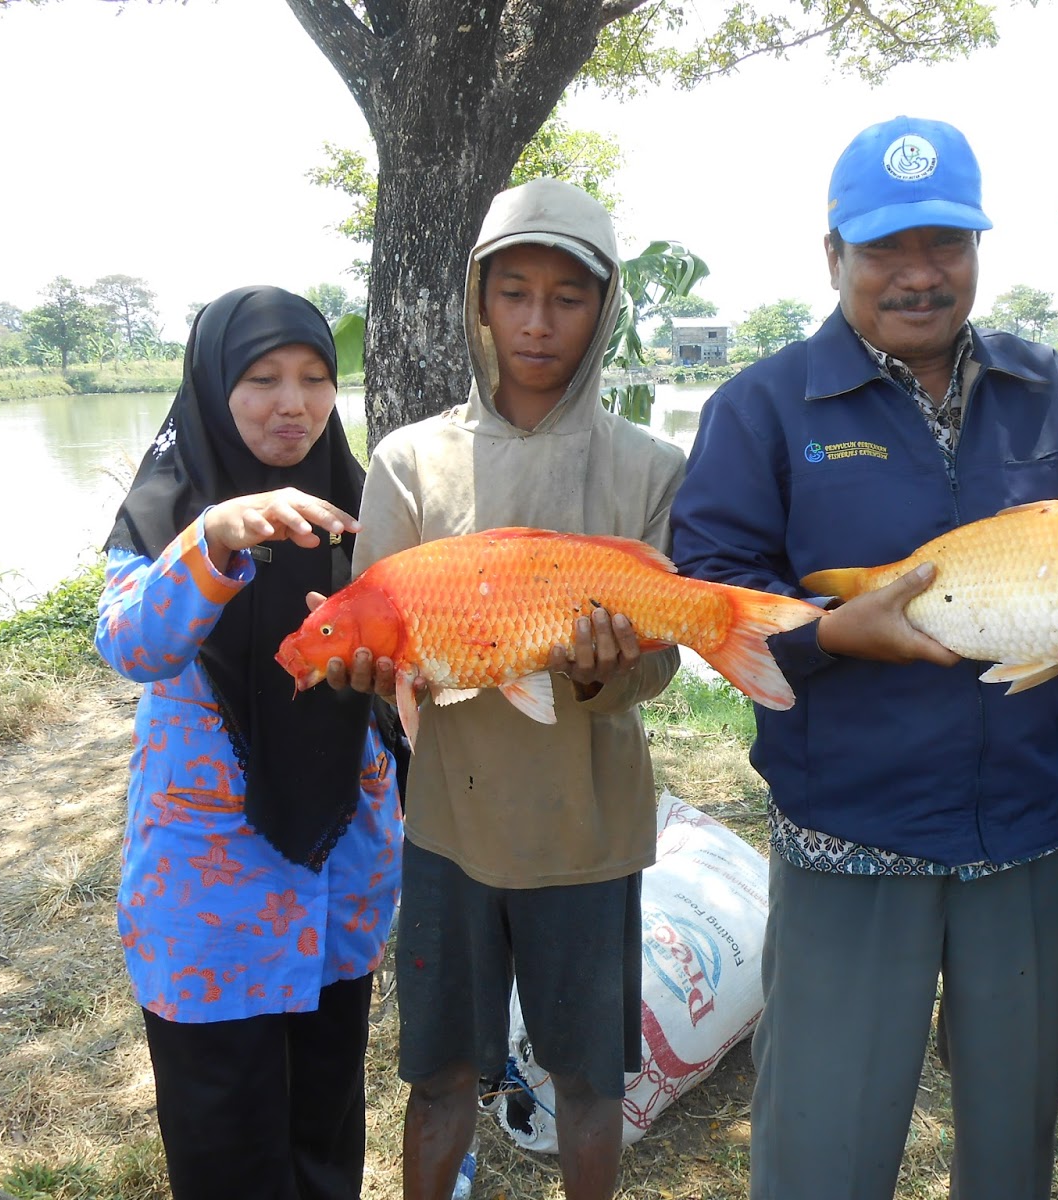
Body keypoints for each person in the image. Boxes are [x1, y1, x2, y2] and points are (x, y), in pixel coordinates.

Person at [668, 116, 1058, 1199]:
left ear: (977, 253)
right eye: (885, 250)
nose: (918, 275)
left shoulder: (1044, 386)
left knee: (1011, 1145)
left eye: (944, 245)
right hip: (852, 832)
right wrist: (827, 636)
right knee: (823, 1144)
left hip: (1025, 832)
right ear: (833, 256)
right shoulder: (762, 406)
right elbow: (712, 600)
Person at [340, 177, 685, 1200]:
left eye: (568, 297)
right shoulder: (410, 464)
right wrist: (369, 676)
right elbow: (380, 648)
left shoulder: (650, 469)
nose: (538, 323)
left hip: (589, 830)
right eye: (514, 293)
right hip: (450, 828)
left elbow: (660, 665)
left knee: (586, 1081)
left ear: (605, 307)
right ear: (477, 302)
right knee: (440, 1078)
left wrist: (608, 667)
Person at [96, 285, 403, 1200]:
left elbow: (416, 663)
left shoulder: (365, 505)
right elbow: (131, 644)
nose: (293, 403)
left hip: (341, 874)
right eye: (262, 378)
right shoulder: (169, 510)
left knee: (324, 1127)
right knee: (226, 1141)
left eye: (315, 377)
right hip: (208, 899)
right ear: (212, 385)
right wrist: (213, 542)